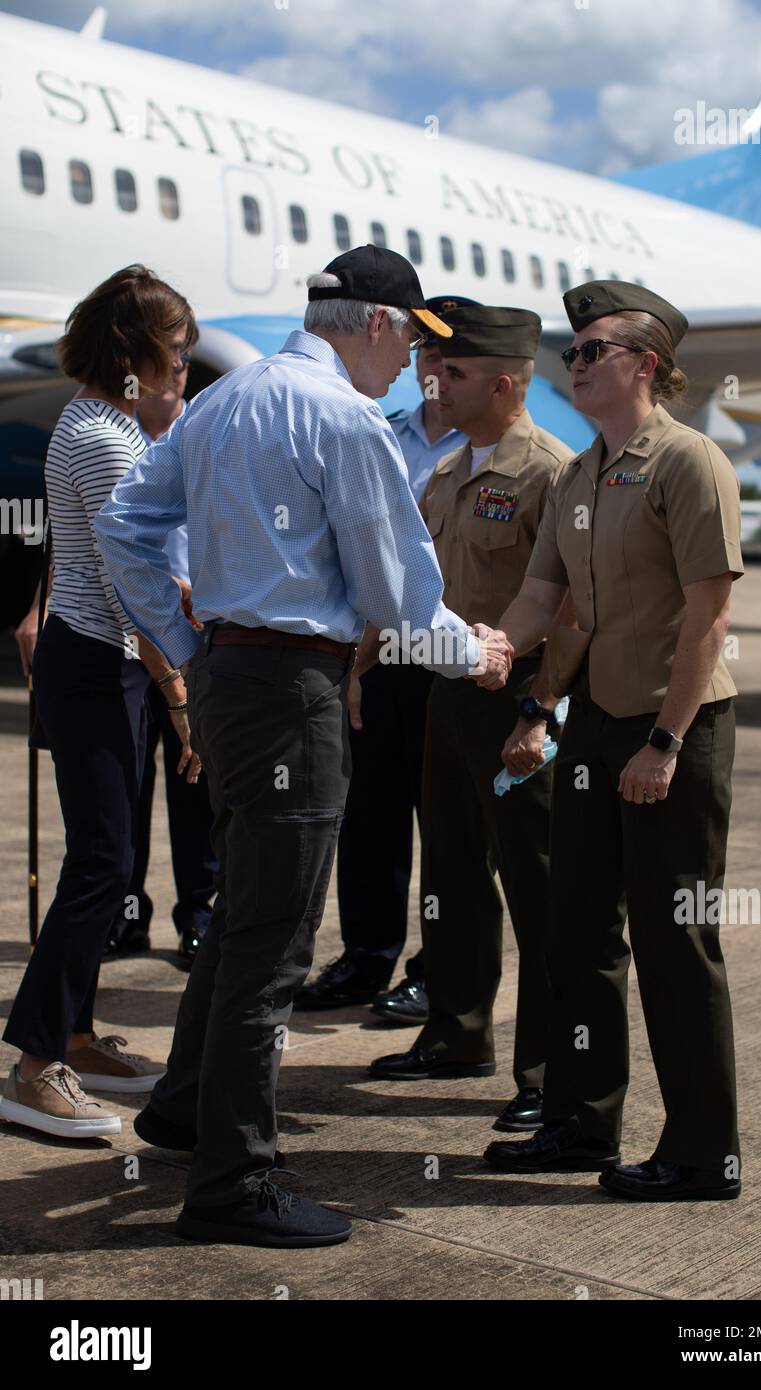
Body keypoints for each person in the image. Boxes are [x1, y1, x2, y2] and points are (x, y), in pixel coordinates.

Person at [94, 244, 514, 1249]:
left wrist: (188, 642)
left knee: (244, 906)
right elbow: (394, 594)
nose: (409, 358)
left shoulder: (222, 401)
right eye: (409, 336)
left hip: (233, 679)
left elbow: (124, 527)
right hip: (291, 689)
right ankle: (235, 1180)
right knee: (274, 941)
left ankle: (188, 1106)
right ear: (373, 323)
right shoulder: (342, 420)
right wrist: (475, 651)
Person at [483, 280, 745, 1200]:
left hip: (675, 729)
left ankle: (703, 1153)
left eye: (591, 350)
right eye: (572, 351)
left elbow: (707, 620)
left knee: (677, 942)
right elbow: (546, 603)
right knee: (577, 930)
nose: (574, 363)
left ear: (644, 363)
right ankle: (580, 1124)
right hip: (593, 726)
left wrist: (665, 745)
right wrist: (502, 664)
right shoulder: (580, 474)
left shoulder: (689, 462)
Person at [0, 265, 200, 1142]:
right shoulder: (111, 439)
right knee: (102, 865)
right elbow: (135, 588)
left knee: (105, 860)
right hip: (102, 658)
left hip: (93, 657)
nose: (183, 371)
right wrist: (179, 692)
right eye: (176, 354)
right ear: (137, 353)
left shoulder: (90, 421)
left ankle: (75, 1035)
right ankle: (34, 1065)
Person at [370, 305, 576, 1135]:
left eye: (452, 374)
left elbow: (570, 610)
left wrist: (542, 711)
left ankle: (550, 1071)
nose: (435, 383)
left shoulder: (555, 474)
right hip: (449, 695)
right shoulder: (450, 468)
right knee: (451, 875)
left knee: (540, 887)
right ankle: (456, 1033)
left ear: (502, 382)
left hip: (524, 698)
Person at [298, 294, 474, 1023]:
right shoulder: (376, 430)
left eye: (451, 358)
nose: (433, 366)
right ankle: (366, 956)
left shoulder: (485, 451)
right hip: (378, 656)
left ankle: (439, 968)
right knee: (368, 815)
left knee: (448, 826)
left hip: (452, 654)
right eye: (427, 352)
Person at [104, 359, 218, 967]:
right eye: (161, 366)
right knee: (126, 781)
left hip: (192, 636)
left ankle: (197, 916)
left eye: (181, 365)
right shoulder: (113, 441)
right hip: (125, 639)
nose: (175, 375)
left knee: (194, 780)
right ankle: (124, 915)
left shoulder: (205, 434)